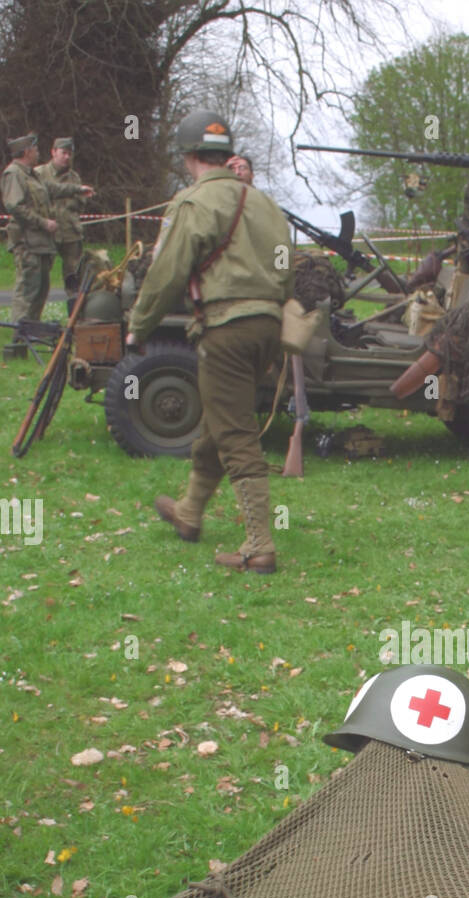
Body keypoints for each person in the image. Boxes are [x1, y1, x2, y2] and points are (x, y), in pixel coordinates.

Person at [126, 110, 292, 573]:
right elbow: (286, 266)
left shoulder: (194, 203)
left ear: (189, 156)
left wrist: (139, 325)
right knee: (219, 425)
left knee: (235, 433)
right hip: (268, 327)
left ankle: (259, 545)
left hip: (225, 329)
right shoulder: (264, 204)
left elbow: (167, 272)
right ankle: (189, 512)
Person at [1, 133, 57, 358]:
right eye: (34, 149)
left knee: (41, 289)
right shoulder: (14, 174)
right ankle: (17, 342)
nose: (38, 152)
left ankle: (30, 334)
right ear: (26, 152)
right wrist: (43, 222)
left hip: (41, 243)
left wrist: (77, 189)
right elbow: (14, 206)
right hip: (27, 243)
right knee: (27, 291)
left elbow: (52, 189)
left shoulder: (32, 174)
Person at [35, 138, 94, 287]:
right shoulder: (39, 173)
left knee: (73, 276)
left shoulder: (74, 178)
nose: (67, 157)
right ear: (53, 152)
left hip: (70, 232)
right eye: (63, 153)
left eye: (70, 154)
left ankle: (74, 308)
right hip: (46, 232)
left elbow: (81, 203)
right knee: (40, 275)